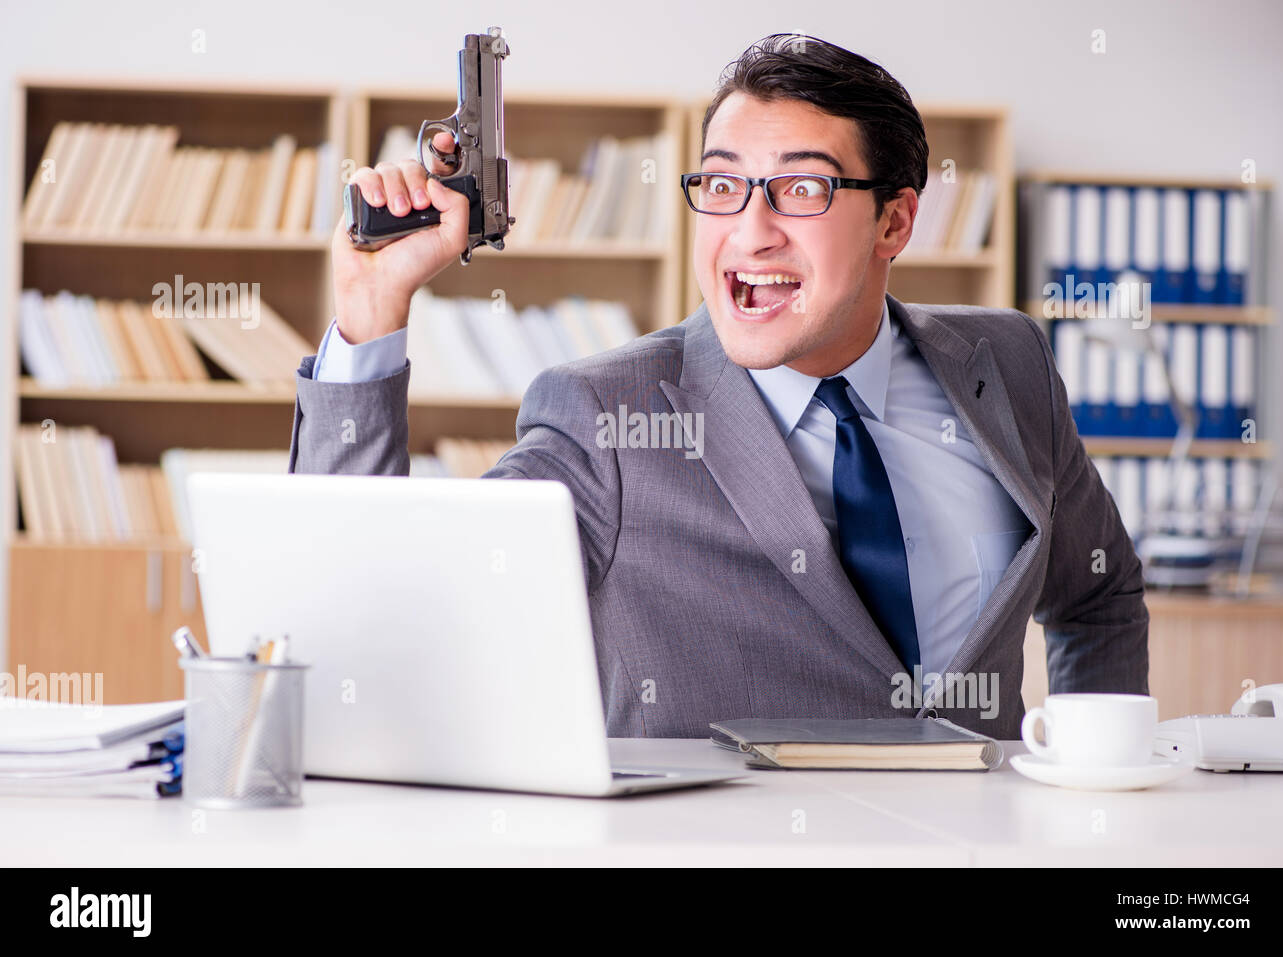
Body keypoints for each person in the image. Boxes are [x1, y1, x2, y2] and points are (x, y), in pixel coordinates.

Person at [290, 34, 1149, 739]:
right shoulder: (606, 420)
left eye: (802, 189)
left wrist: (1088, 780)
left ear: (895, 220)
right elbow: (376, 616)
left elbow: (1098, 593)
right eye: (725, 185)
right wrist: (370, 314)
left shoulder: (1008, 367)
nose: (752, 231)